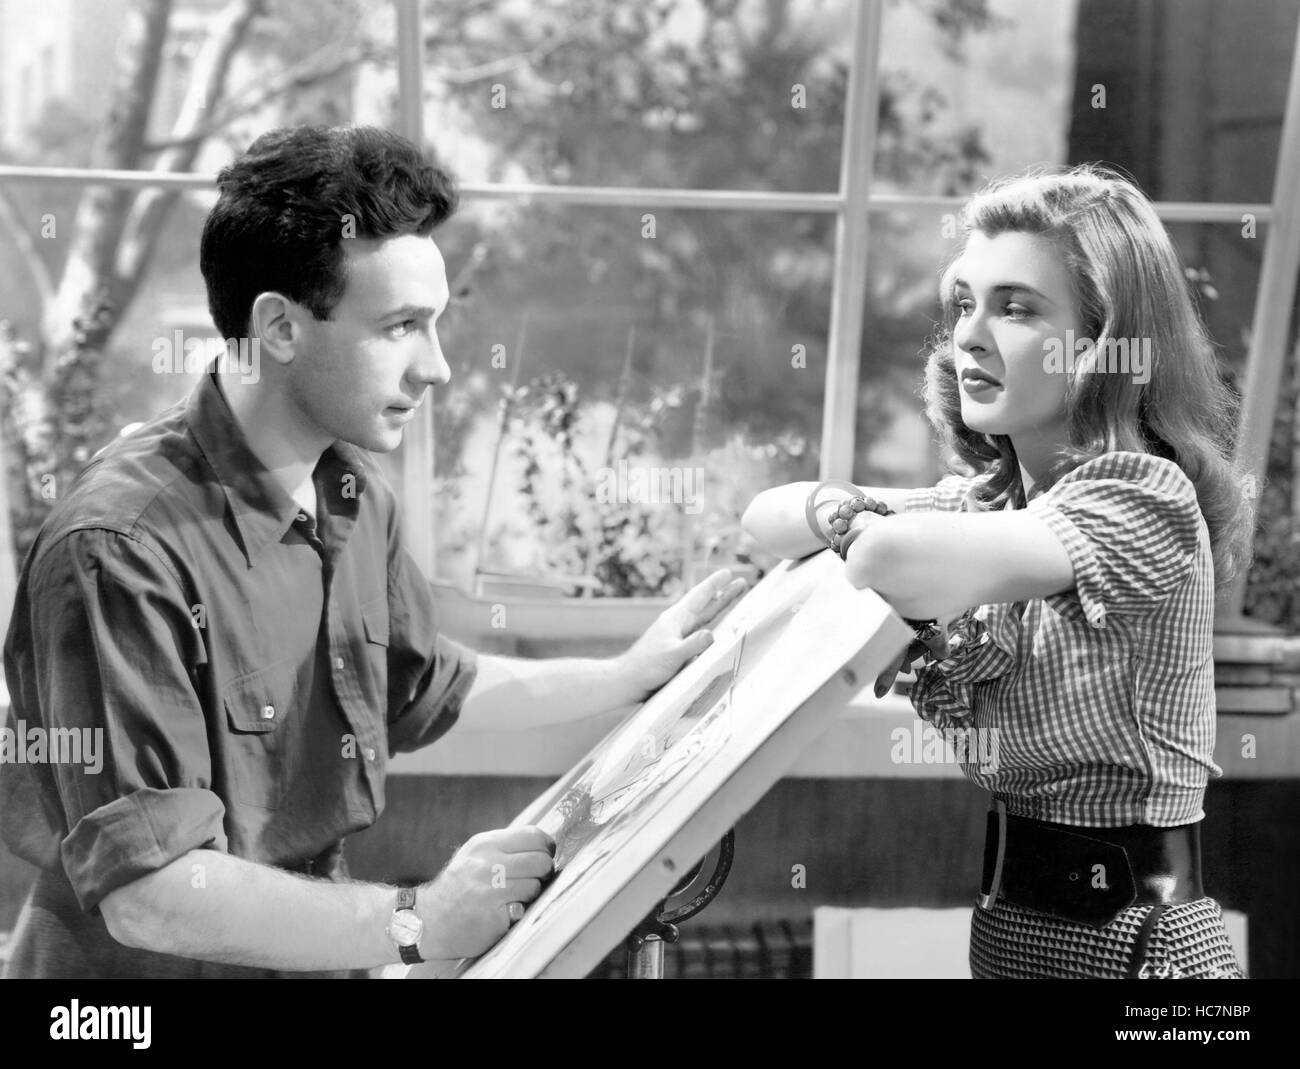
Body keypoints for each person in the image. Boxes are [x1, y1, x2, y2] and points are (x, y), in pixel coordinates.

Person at [0, 125, 744, 978]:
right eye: (401, 327)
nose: (440, 368)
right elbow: (153, 892)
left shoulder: (348, 492)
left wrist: (625, 675)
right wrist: (417, 919)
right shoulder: (118, 550)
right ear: (278, 327)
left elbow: (425, 682)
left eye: (437, 325)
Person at [743, 164, 1252, 979]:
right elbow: (767, 514)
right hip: (1016, 938)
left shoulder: (1142, 497)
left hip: (1140, 953)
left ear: (1104, 342)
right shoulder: (1000, 503)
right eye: (963, 304)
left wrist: (864, 522)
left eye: (1015, 307)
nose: (970, 335)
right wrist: (860, 514)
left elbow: (882, 553)